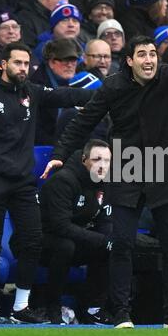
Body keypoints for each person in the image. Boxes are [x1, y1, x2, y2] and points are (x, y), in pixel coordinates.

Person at [42, 26, 168, 329]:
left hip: (163, 167)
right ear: (129, 61)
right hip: (127, 168)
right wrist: (58, 154)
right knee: (122, 244)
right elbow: (84, 121)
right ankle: (121, 313)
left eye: (153, 54)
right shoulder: (113, 86)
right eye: (142, 54)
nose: (149, 59)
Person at [0, 42, 92, 323]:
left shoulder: (32, 92)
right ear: (3, 64)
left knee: (33, 241)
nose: (23, 68)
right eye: (17, 63)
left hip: (23, 182)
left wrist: (106, 93)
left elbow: (65, 95)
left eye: (26, 64)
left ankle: (20, 307)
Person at [39, 139, 113, 324]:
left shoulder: (103, 184)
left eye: (107, 161)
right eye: (97, 159)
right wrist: (101, 239)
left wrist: (110, 241)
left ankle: (93, 308)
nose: (102, 166)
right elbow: (60, 226)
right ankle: (52, 308)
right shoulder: (63, 181)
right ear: (83, 160)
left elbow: (105, 221)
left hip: (74, 239)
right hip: (39, 242)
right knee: (65, 246)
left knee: (111, 247)